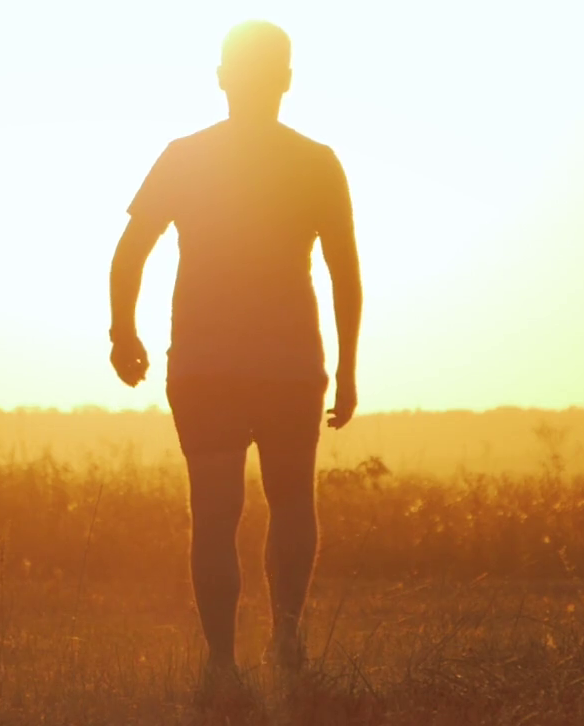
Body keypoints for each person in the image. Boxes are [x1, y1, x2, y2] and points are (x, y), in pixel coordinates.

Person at [106, 20, 362, 688]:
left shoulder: (185, 156)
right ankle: (286, 640)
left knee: (214, 513)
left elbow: (131, 250)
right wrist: (350, 369)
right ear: (286, 80)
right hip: (288, 366)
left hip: (205, 364)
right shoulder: (315, 162)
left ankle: (222, 664)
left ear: (222, 78)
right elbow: (345, 273)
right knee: (292, 501)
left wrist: (121, 333)